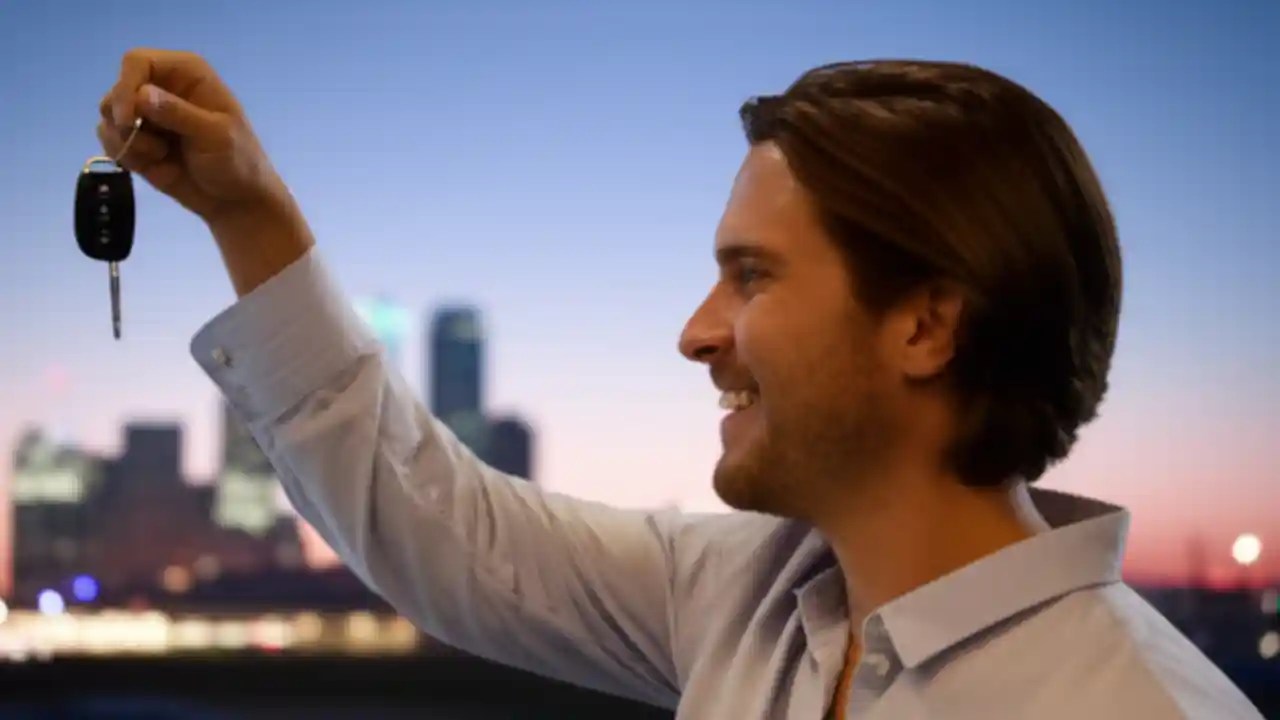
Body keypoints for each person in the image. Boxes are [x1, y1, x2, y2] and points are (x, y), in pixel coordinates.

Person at [97, 48, 1263, 719]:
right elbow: (441, 529)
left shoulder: (1133, 708)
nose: (694, 335)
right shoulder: (738, 597)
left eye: (749, 277)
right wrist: (250, 214)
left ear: (923, 323)